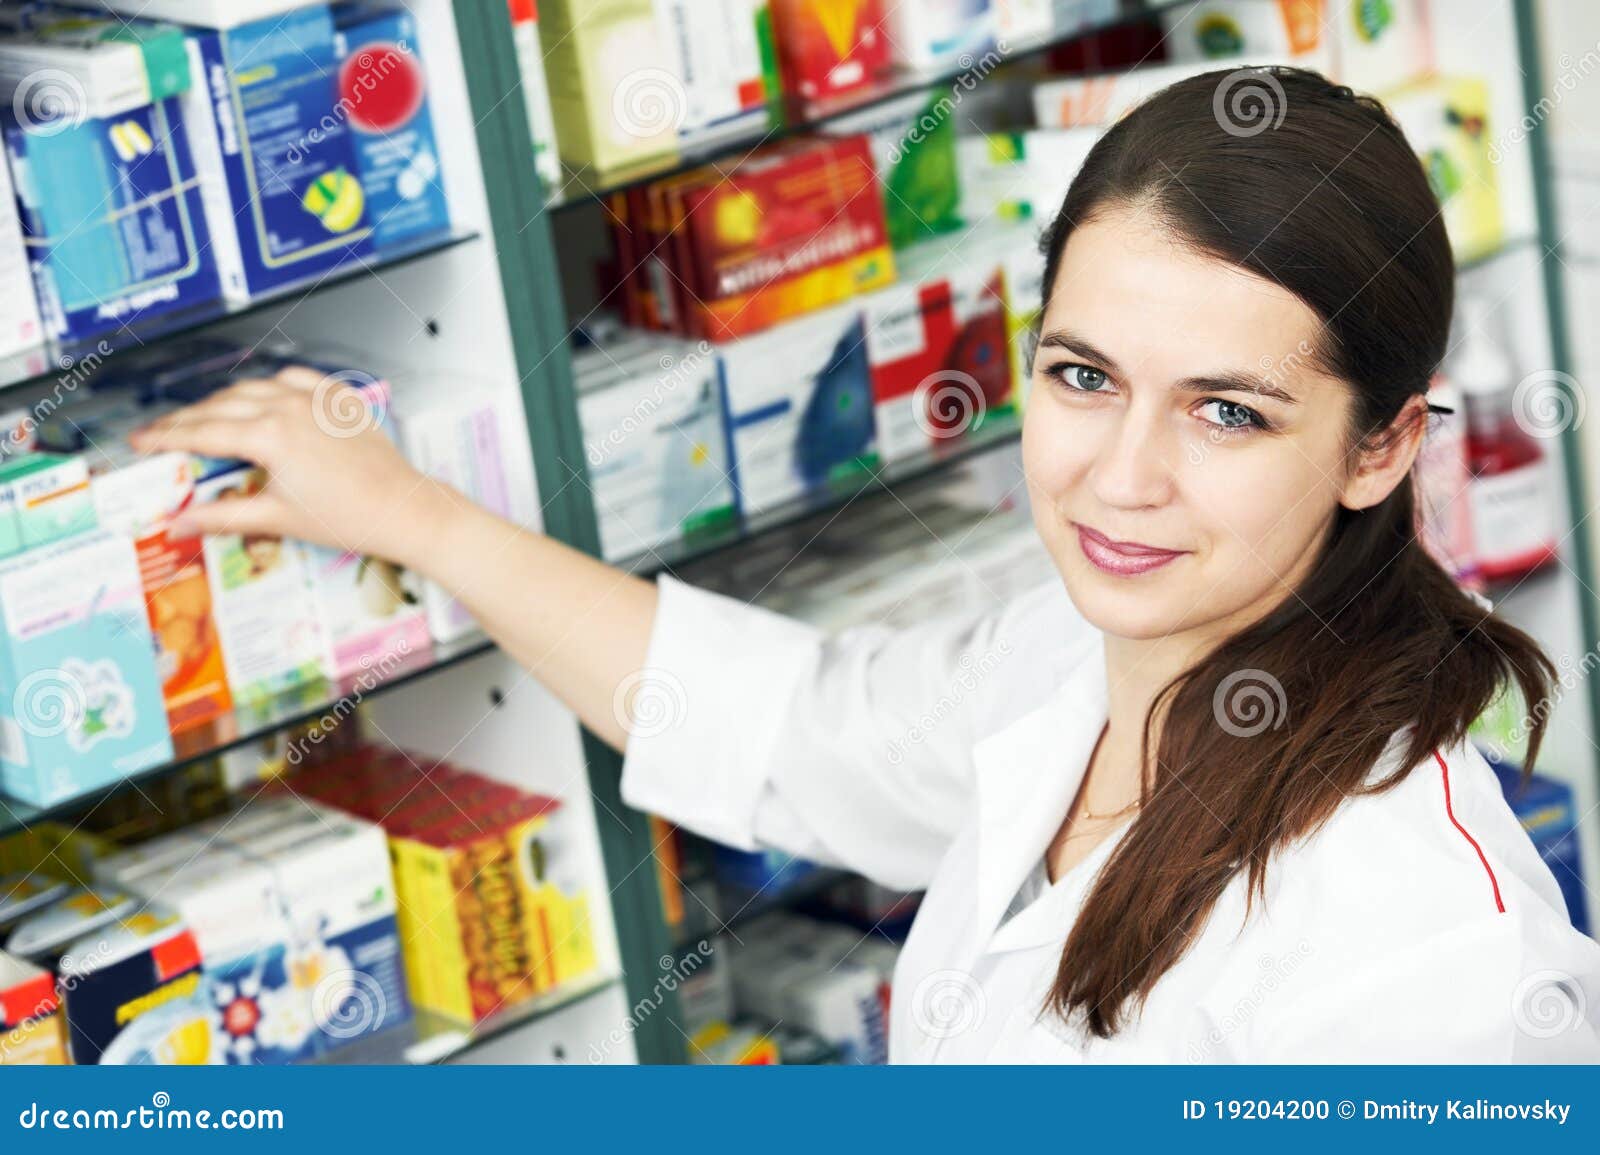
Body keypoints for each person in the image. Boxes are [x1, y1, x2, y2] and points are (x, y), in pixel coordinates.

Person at [132, 68, 1600, 1062]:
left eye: (1228, 411)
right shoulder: (1063, 662)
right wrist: (415, 518)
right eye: (1085, 377)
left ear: (1381, 447)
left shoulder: (1426, 945)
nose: (1124, 476)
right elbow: (776, 724)